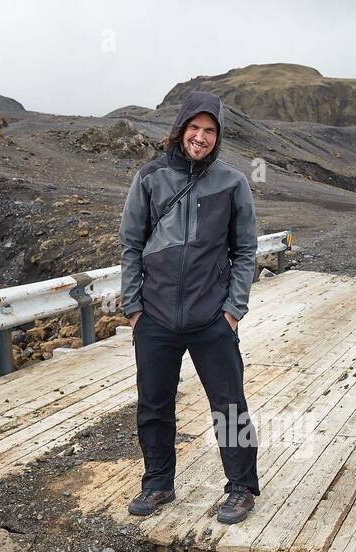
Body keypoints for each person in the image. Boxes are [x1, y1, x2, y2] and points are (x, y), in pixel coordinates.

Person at [118, 90, 260, 524]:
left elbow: (245, 251)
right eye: (195, 128)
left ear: (218, 137)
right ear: (181, 129)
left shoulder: (233, 182)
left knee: (229, 406)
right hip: (155, 318)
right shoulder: (149, 177)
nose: (201, 137)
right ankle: (158, 483)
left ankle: (241, 488)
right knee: (154, 405)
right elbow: (130, 245)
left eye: (210, 131)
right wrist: (134, 309)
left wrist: (233, 310)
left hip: (210, 319)